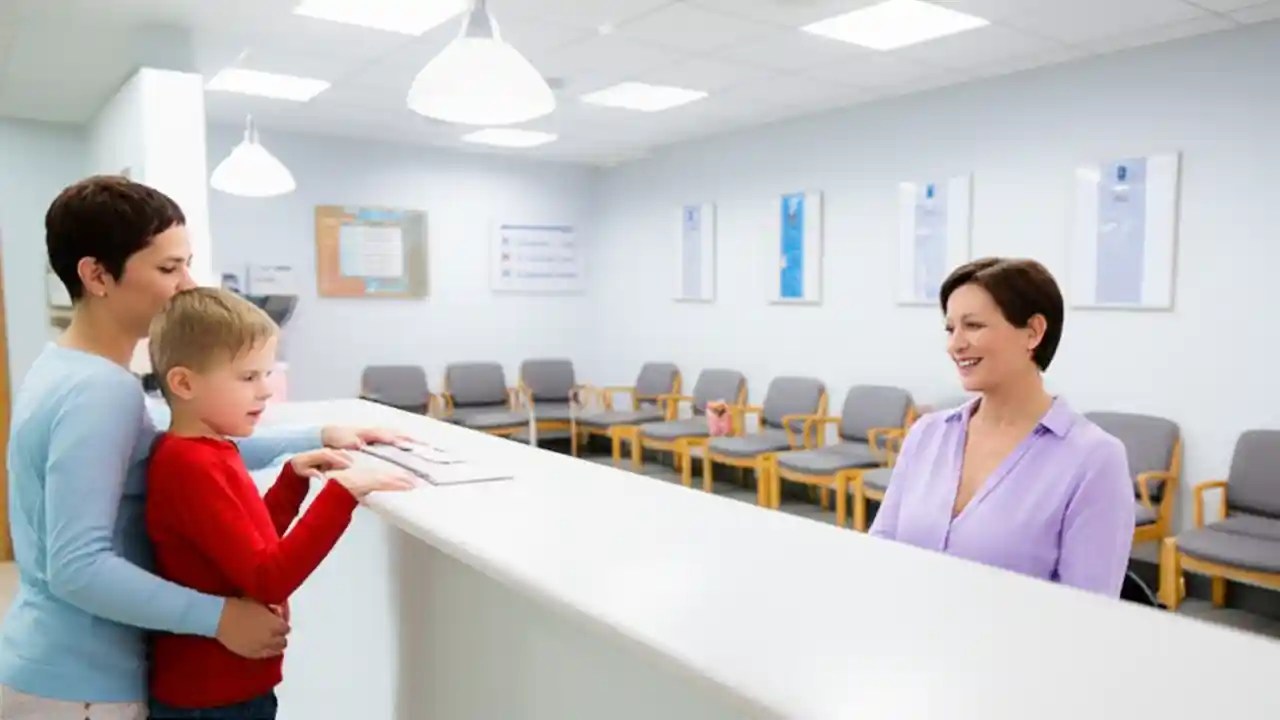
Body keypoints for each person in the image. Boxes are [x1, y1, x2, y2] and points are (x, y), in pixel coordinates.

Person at [0, 176, 405, 719]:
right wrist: (218, 618)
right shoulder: (100, 393)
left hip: (62, 668)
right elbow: (77, 566)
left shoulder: (68, 369)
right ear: (97, 275)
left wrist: (313, 439)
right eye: (169, 268)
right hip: (82, 681)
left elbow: (180, 447)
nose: (187, 285)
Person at [144, 288, 415, 719]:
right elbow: (268, 579)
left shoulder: (209, 450)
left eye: (266, 375)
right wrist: (341, 495)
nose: (266, 391)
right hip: (212, 699)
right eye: (248, 377)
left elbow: (243, 550)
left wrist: (291, 483)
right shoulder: (190, 465)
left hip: (229, 688)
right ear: (184, 383)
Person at [869, 257, 1135, 596]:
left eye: (974, 326)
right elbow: (880, 552)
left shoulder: (1095, 459)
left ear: (1034, 332)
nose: (955, 344)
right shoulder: (927, 433)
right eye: (951, 329)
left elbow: (1089, 612)